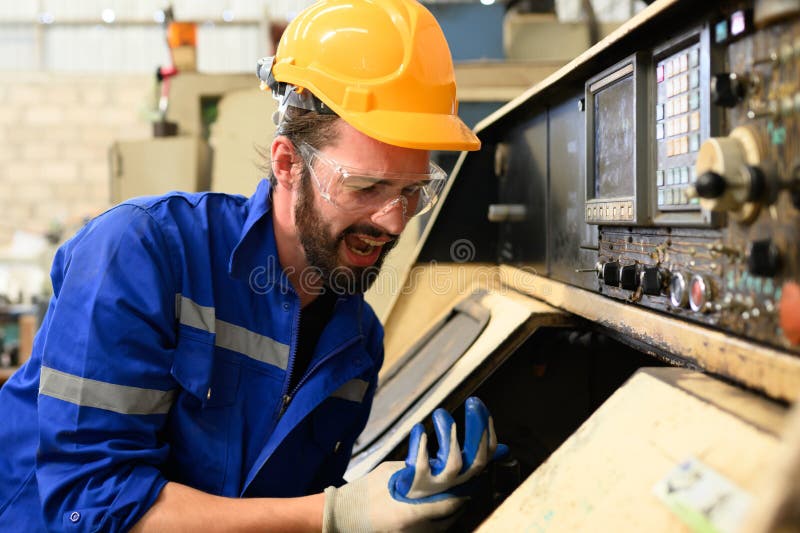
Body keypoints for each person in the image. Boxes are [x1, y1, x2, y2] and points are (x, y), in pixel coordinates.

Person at [0, 0, 505, 531]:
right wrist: (337, 513)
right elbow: (90, 506)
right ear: (287, 164)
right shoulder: (142, 254)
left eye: (412, 192)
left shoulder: (357, 344)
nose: (394, 222)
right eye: (365, 186)